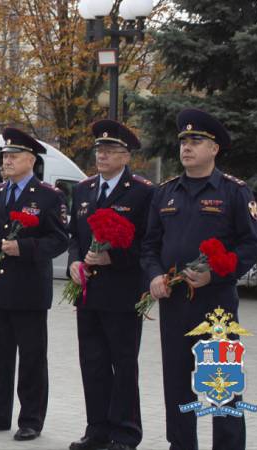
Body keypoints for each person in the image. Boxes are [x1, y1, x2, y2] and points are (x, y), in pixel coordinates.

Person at [141, 109, 257, 450]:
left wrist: (216, 275)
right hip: (175, 303)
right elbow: (149, 245)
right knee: (177, 382)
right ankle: (181, 444)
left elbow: (250, 245)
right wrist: (154, 275)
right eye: (183, 141)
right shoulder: (166, 192)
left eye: (196, 141)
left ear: (214, 149)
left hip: (216, 305)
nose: (187, 147)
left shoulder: (234, 192)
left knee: (221, 383)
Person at [0, 127, 68, 441]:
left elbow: (59, 240)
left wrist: (24, 248)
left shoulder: (49, 196)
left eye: (13, 156)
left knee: (32, 359)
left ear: (31, 160)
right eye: (4, 156)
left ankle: (31, 420)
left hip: (29, 291)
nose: (7, 161)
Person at [67, 120, 155, 450]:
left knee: (123, 364)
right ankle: (97, 430)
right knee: (93, 363)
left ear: (126, 156)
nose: (102, 156)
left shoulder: (143, 192)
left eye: (110, 150)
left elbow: (149, 243)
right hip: (88, 293)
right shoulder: (84, 189)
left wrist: (113, 258)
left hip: (123, 294)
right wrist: (75, 262)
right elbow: (74, 236)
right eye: (99, 150)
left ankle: (126, 432)